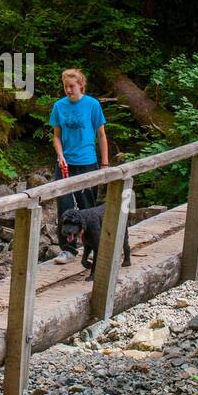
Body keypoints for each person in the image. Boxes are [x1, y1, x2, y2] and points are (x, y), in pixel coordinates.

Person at [48, 68, 109, 264]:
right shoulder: (59, 106)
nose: (68, 90)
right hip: (66, 163)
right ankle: (68, 249)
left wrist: (105, 163)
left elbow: (101, 134)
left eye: (72, 86)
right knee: (64, 206)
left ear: (80, 85)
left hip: (87, 162)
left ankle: (92, 247)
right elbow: (56, 136)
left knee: (88, 208)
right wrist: (60, 155)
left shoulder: (92, 105)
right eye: (66, 86)